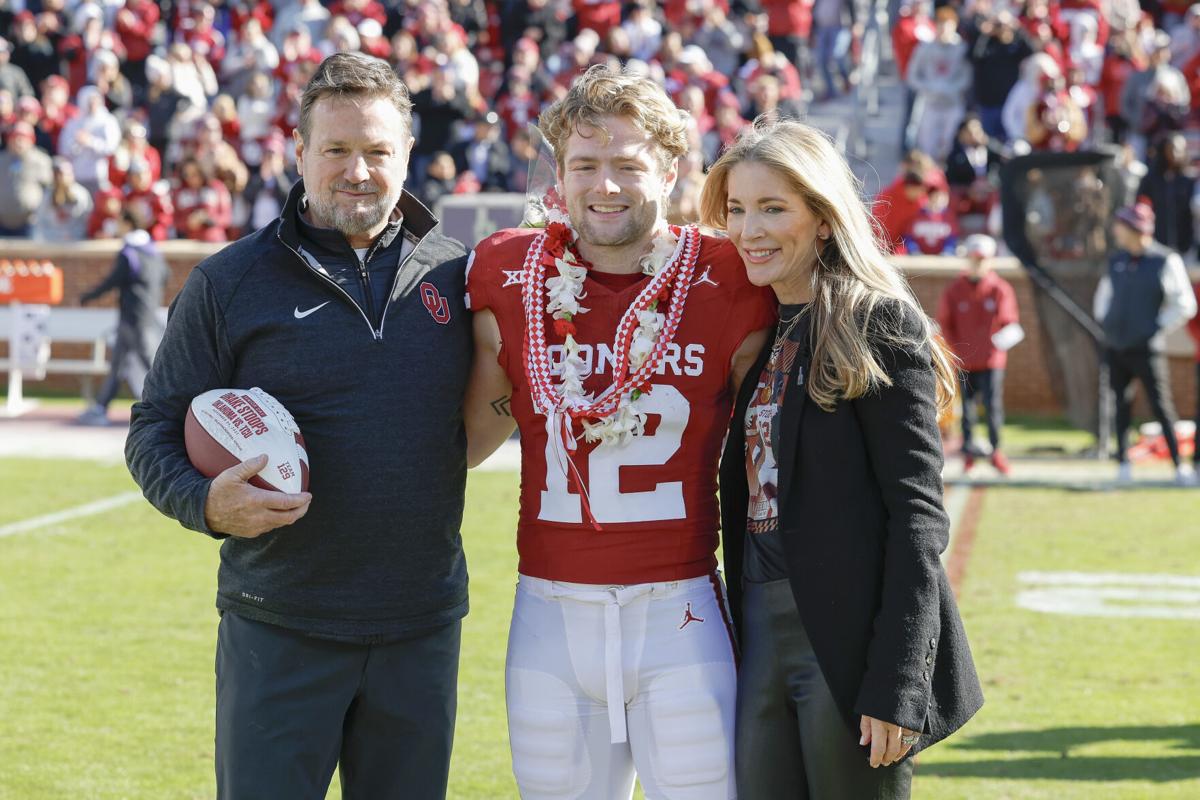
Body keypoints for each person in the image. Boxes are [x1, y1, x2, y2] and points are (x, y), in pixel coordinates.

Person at [124, 53, 472, 799]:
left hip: (420, 627)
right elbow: (152, 426)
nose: (358, 171)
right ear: (299, 151)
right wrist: (205, 502)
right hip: (280, 627)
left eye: (377, 150)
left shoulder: (457, 273)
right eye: (336, 149)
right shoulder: (229, 281)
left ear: (407, 153)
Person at [463, 64, 775, 798]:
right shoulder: (507, 271)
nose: (604, 185)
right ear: (559, 173)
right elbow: (465, 443)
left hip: (680, 614)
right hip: (548, 614)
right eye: (584, 165)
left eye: (628, 165)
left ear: (670, 169)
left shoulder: (730, 274)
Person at [698, 118, 984, 798]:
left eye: (773, 208)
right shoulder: (761, 331)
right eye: (736, 209)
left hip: (848, 645)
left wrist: (899, 681)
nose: (749, 229)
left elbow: (917, 517)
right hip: (758, 636)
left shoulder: (877, 322)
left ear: (823, 218)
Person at [1094, 200, 1197, 485]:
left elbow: (1185, 304)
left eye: (1121, 225)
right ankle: (1123, 463)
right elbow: (1104, 298)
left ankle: (1179, 465)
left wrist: (1155, 327)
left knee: (1161, 405)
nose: (1116, 231)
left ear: (1135, 229)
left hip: (1147, 347)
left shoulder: (1165, 260)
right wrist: (1110, 324)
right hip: (1116, 344)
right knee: (1120, 405)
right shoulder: (1117, 260)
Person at [937, 234, 1021, 474]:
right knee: (967, 410)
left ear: (990, 260)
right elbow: (945, 323)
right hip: (965, 361)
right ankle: (969, 452)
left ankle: (996, 451)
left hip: (991, 361)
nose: (977, 264)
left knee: (993, 407)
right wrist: (956, 350)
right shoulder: (954, 290)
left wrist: (996, 345)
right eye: (974, 259)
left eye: (982, 259)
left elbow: (1010, 322)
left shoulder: (1000, 289)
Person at [76, 205, 166, 426]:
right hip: (145, 313)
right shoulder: (153, 251)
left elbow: (112, 280)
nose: (116, 225)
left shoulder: (129, 253)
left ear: (127, 223)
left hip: (133, 316)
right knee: (119, 363)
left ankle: (170, 409)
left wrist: (87, 296)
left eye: (119, 221)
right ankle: (100, 407)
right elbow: (165, 276)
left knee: (151, 364)